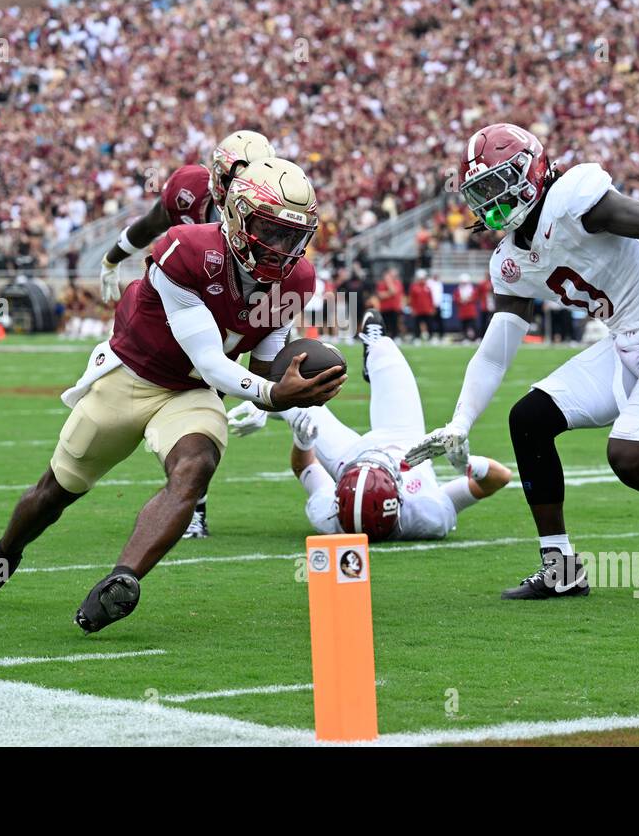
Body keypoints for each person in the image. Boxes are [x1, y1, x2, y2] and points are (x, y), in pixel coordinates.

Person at [0, 158, 345, 634]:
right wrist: (274, 394)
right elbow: (212, 361)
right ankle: (0, 559)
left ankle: (122, 580)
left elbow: (264, 369)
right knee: (54, 493)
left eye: (293, 236)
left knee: (194, 468)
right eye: (270, 230)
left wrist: (295, 390)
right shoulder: (187, 250)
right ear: (237, 216)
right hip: (131, 378)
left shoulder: (296, 279)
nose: (282, 249)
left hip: (190, 394)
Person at [406, 122, 639, 599]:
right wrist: (461, 420)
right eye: (483, 192)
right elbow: (496, 353)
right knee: (529, 419)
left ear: (532, 170)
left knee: (629, 456)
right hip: (624, 342)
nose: (494, 201)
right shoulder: (508, 261)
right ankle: (560, 569)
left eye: (499, 183)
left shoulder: (575, 195)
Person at [97, 128, 274, 538]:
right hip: (177, 311)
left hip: (233, 318)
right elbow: (151, 223)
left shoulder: (268, 218)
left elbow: (283, 291)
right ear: (218, 178)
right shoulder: (188, 192)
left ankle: (194, 506)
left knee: (204, 409)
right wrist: (112, 258)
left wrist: (267, 385)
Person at [227, 312, 511, 540]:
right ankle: (374, 347)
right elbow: (500, 478)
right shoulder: (427, 514)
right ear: (400, 497)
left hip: (348, 457)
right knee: (386, 351)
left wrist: (301, 441)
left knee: (297, 413)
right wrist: (468, 465)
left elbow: (305, 468)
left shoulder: (329, 517)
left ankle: (270, 394)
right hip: (406, 445)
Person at [98, 130, 275, 305]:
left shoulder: (273, 222)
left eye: (253, 187)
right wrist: (110, 261)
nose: (240, 193)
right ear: (219, 174)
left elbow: (279, 284)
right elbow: (149, 226)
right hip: (190, 296)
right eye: (234, 181)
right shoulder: (189, 191)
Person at [374, 267, 405, 339]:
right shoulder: (381, 284)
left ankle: (396, 337)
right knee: (384, 325)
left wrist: (389, 283)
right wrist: (389, 293)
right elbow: (380, 295)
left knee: (394, 324)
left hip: (394, 308)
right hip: (384, 308)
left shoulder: (397, 283)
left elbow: (394, 291)